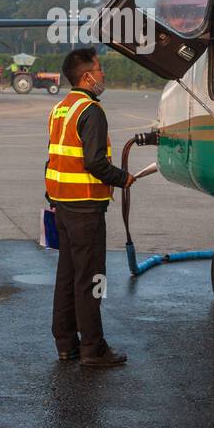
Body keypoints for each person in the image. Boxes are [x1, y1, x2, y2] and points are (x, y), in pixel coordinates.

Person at [44, 47, 134, 367]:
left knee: (67, 276)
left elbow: (53, 158)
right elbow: (95, 162)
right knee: (91, 279)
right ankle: (93, 349)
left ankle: (66, 344)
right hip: (85, 208)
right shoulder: (92, 111)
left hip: (63, 207)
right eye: (99, 69)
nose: (103, 74)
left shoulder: (61, 108)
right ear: (86, 76)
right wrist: (122, 178)